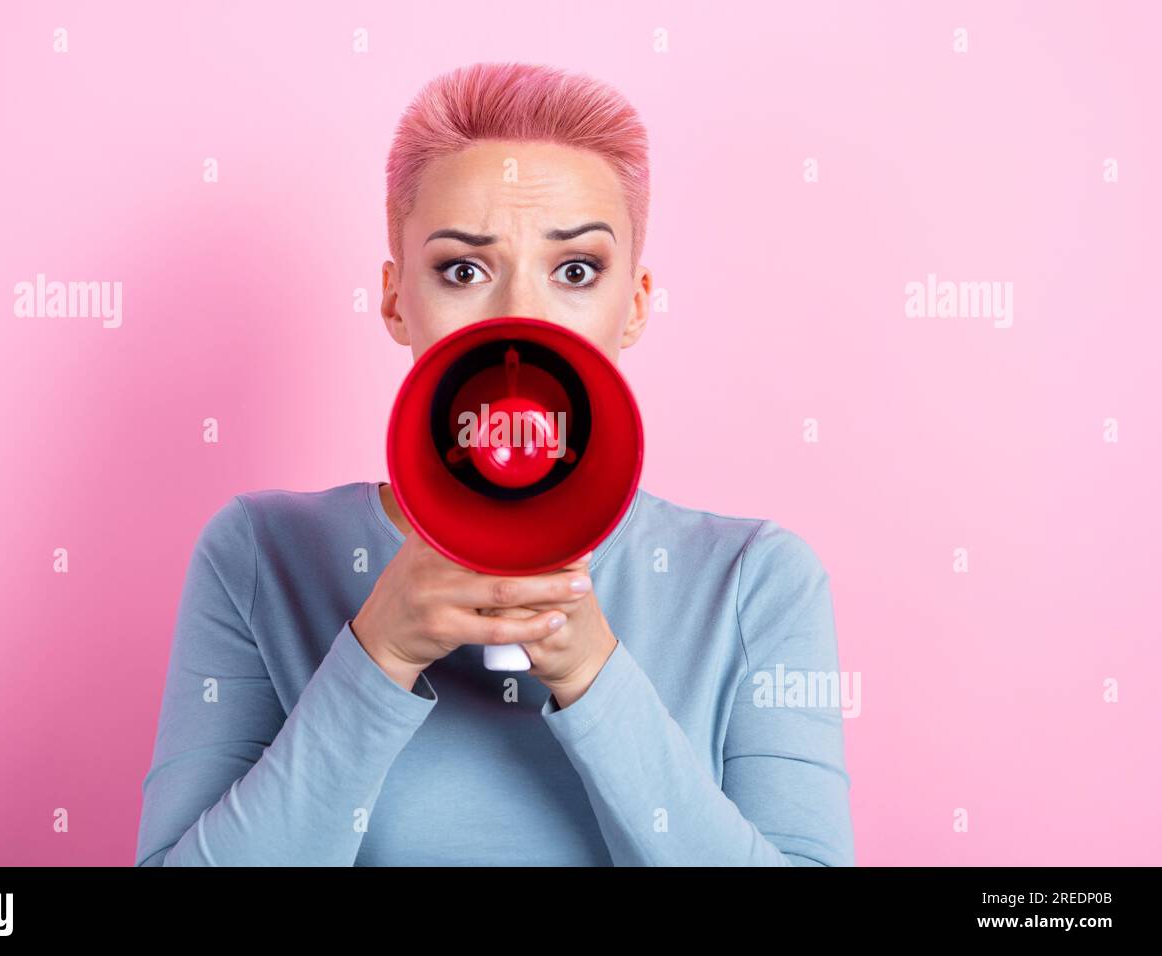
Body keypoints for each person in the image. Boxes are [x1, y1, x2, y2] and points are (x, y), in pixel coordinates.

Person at [135, 61, 855, 866]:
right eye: (463, 270)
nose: (518, 318)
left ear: (637, 305)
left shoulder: (755, 581)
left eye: (576, 271)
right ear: (396, 298)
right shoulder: (261, 555)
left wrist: (591, 671)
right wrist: (380, 654)